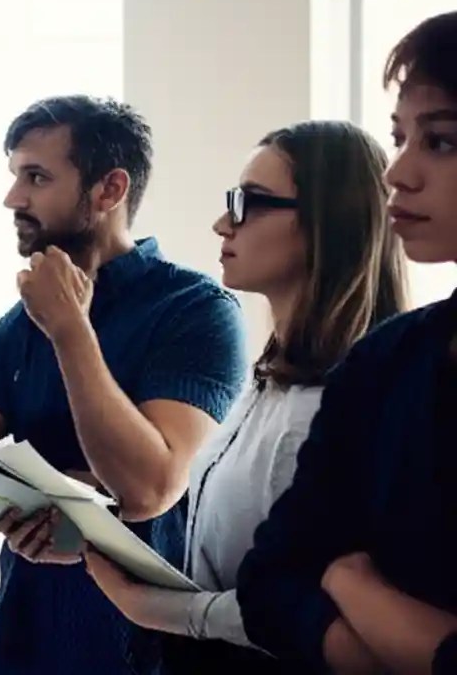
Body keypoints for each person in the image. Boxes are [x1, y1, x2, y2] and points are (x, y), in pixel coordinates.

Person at [0, 95, 249, 675]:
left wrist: (71, 329)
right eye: (15, 175)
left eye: (37, 177)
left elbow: (150, 486)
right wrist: (69, 499)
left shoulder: (197, 311)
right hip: (21, 644)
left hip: (142, 652)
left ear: (108, 190)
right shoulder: (21, 323)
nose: (13, 198)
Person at [82, 120, 408, 675]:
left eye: (248, 202)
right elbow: (223, 553)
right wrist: (98, 537)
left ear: (327, 223)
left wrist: (160, 608)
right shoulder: (271, 381)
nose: (221, 223)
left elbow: (310, 603)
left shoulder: (358, 404)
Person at [234, 11, 457, 675]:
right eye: (399, 139)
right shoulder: (387, 360)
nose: (398, 173)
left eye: (441, 142)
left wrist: (352, 584)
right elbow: (269, 577)